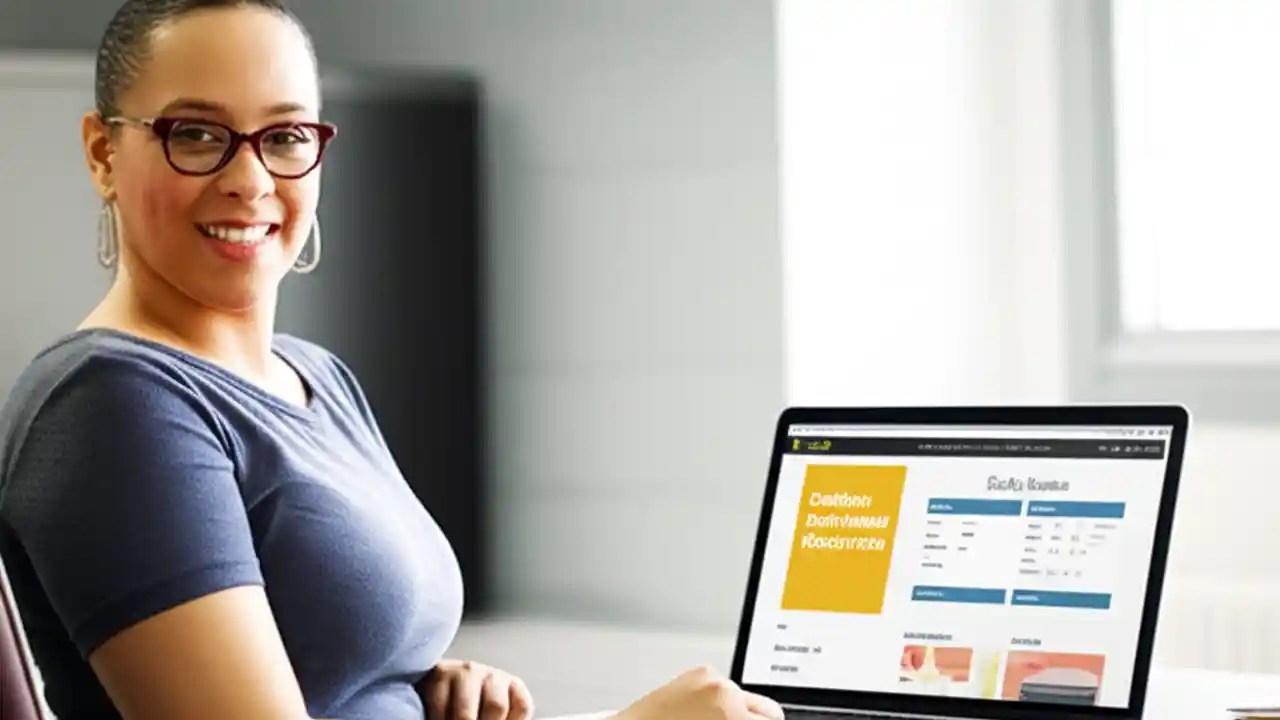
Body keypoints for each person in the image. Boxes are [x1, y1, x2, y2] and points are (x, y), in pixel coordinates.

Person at [0, 1, 786, 719]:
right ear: (103, 152)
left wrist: (419, 681)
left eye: (284, 137)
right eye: (196, 135)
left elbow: (325, 655)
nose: (249, 179)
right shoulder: (110, 404)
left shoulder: (319, 378)